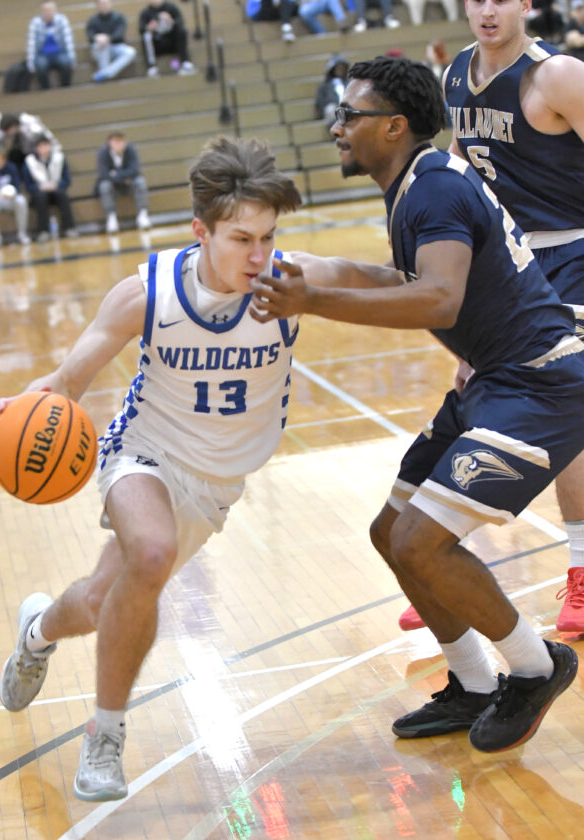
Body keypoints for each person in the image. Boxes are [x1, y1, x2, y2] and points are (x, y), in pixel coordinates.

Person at [250, 56, 583, 750]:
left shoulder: (431, 188)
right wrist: (314, 270)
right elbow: (402, 276)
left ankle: (534, 666)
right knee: (391, 530)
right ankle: (474, 683)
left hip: (542, 383)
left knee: (419, 540)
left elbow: (438, 297)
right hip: (495, 378)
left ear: (394, 126)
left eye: (351, 115)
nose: (337, 126)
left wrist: (316, 300)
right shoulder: (416, 183)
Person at [0, 135, 302, 801]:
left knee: (103, 602)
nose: (259, 254)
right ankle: (105, 737)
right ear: (201, 231)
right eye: (241, 238)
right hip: (145, 451)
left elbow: (396, 286)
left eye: (267, 237)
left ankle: (37, 633)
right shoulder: (148, 292)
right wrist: (20, 408)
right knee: (150, 555)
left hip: (216, 485)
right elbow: (68, 380)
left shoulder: (292, 283)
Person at [399, 0, 584, 634]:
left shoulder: (557, 76)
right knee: (477, 400)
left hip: (574, 255)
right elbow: (459, 181)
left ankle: (583, 575)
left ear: (525, 4)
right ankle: (443, 554)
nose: (486, 9)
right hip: (507, 267)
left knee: (566, 418)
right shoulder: (454, 79)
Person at [22, 135, 78, 241]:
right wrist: (40, 187)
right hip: (39, 192)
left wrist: (57, 185)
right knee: (41, 197)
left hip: (56, 189)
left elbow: (67, 180)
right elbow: (28, 185)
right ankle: (43, 231)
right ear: (36, 148)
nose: (44, 149)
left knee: (62, 195)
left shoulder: (59, 157)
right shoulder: (29, 161)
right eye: (41, 146)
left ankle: (70, 228)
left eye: (46, 145)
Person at [96, 132, 151, 233]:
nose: (119, 144)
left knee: (140, 182)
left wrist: (115, 174)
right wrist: (123, 177)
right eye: (115, 142)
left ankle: (143, 215)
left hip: (129, 183)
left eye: (121, 141)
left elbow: (134, 170)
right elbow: (103, 174)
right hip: (114, 185)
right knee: (104, 185)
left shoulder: (131, 150)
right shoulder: (103, 152)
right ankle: (111, 218)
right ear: (109, 143)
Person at [138, 0, 197, 77]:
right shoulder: (145, 12)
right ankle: (151, 67)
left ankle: (185, 62)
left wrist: (171, 21)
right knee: (146, 36)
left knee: (182, 31)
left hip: (173, 42)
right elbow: (141, 29)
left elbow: (180, 22)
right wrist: (149, 28)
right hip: (157, 43)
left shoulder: (171, 7)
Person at [26, 1, 77, 89]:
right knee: (40, 66)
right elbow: (31, 45)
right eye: (45, 10)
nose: (48, 13)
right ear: (41, 12)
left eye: (50, 10)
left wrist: (72, 59)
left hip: (59, 53)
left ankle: (65, 88)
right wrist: (30, 64)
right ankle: (46, 90)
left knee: (66, 62)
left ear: (55, 11)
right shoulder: (35, 23)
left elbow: (69, 41)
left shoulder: (62, 20)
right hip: (42, 54)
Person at [86, 0, 137, 83]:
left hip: (117, 47)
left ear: (111, 3)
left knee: (130, 52)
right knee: (101, 45)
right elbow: (90, 36)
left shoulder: (119, 17)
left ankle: (104, 73)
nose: (104, 6)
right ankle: (104, 73)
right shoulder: (92, 20)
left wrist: (107, 39)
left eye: (106, 3)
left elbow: (119, 34)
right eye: (101, 4)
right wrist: (98, 38)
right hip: (100, 49)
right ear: (97, 5)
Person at [315, 55, 350, 130]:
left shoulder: (349, 83)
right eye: (338, 68)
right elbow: (320, 102)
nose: (340, 70)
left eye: (342, 68)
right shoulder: (324, 86)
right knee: (330, 109)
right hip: (334, 108)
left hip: (348, 106)